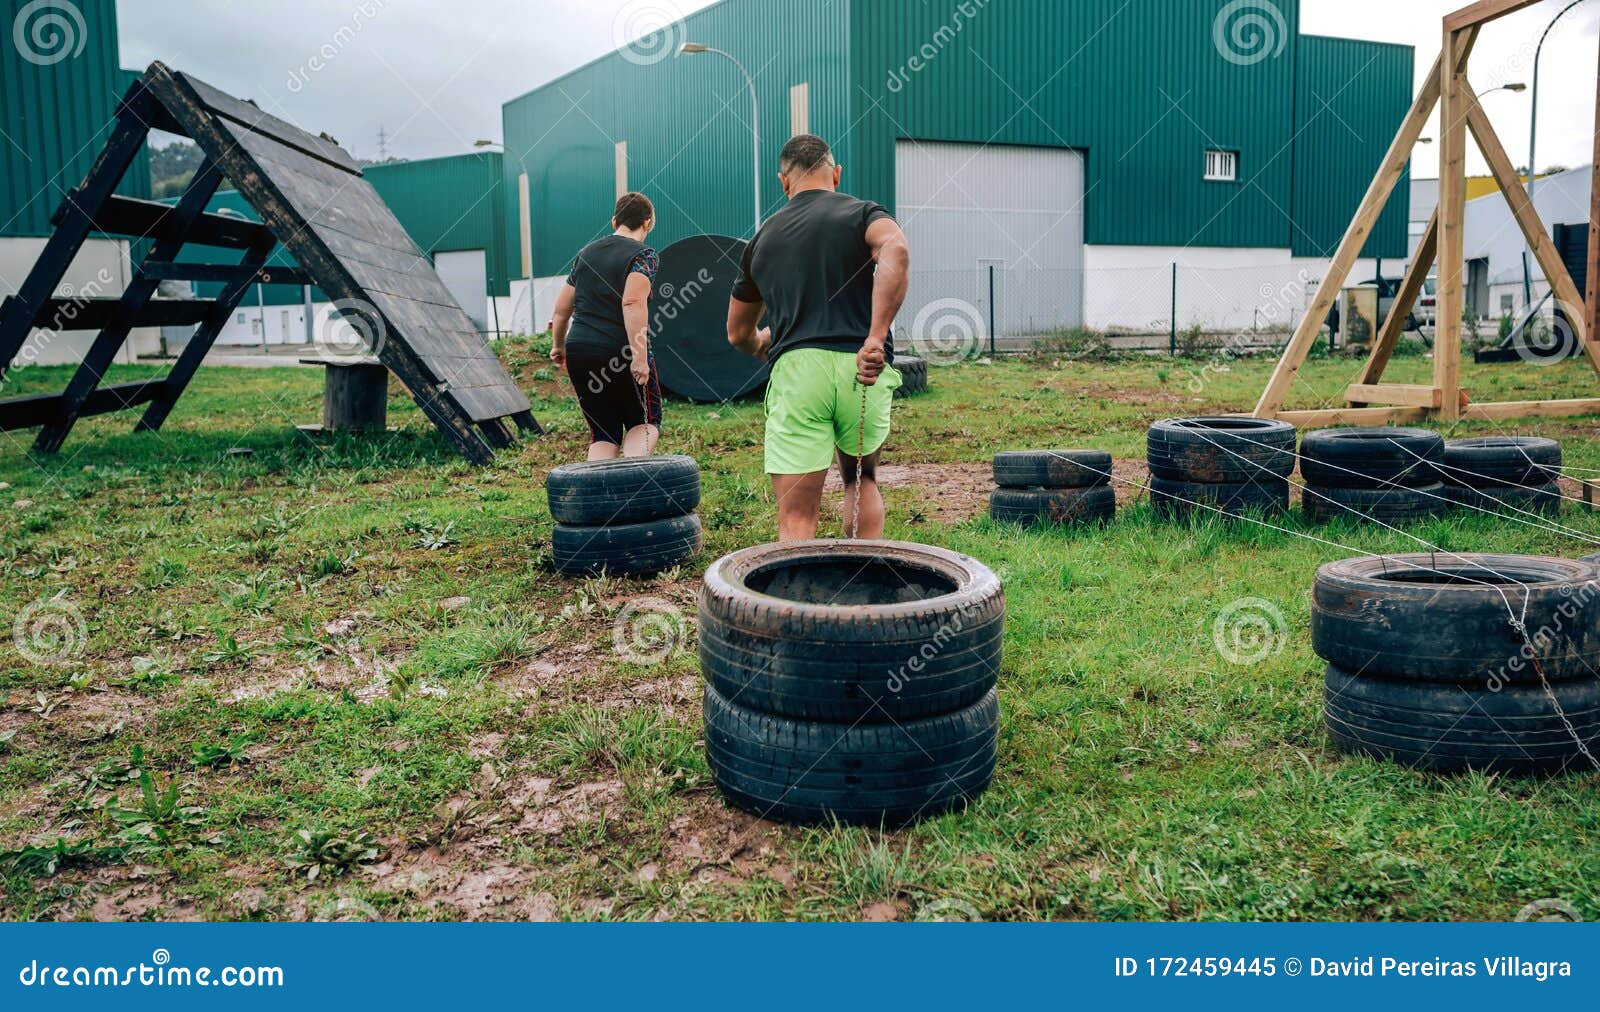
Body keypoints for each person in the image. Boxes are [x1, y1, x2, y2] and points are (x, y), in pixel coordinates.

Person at [727, 134, 911, 541]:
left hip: (798, 370)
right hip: (862, 366)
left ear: (783, 182)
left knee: (796, 513)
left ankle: (797, 602)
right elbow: (895, 250)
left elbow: (737, 332)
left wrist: (761, 345)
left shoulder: (762, 239)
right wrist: (876, 339)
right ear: (836, 174)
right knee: (861, 481)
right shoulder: (864, 213)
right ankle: (866, 595)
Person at [549, 192, 663, 460]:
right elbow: (633, 302)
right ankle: (632, 487)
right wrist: (639, 358)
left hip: (580, 350)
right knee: (643, 422)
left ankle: (601, 498)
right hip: (618, 349)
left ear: (615, 221)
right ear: (647, 223)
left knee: (604, 431)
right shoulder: (644, 255)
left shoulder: (585, 254)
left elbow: (561, 309)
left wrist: (558, 346)